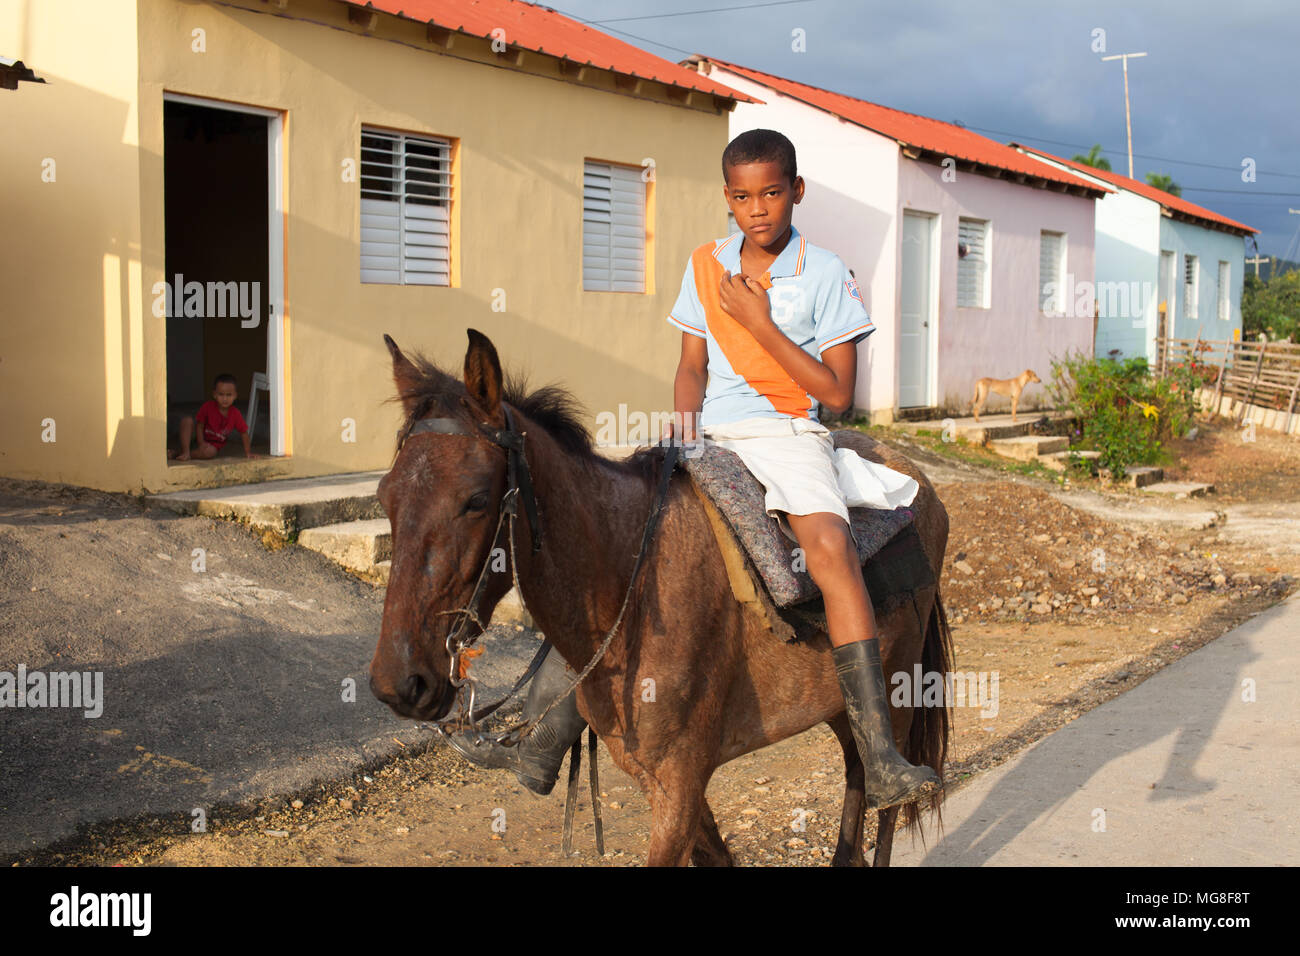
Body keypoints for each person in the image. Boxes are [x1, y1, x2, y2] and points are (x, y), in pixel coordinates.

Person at [447, 129, 939, 809]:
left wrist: (762, 324)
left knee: (828, 549)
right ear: (727, 199)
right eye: (742, 196)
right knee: (617, 551)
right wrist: (684, 434)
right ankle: (535, 740)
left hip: (791, 433)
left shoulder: (826, 273)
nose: (757, 209)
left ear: (796, 191)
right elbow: (691, 365)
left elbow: (835, 394)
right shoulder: (704, 264)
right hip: (711, 434)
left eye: (771, 192)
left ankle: (880, 754)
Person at [170, 373, 259, 461]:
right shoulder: (207, 407)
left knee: (210, 452)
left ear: (235, 396)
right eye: (221, 394)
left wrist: (248, 453)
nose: (225, 399)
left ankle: (180, 454)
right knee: (187, 420)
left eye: (229, 395)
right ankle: (185, 451)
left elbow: (244, 433)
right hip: (196, 438)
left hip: (211, 446)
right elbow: (199, 425)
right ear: (214, 394)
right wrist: (201, 443)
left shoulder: (235, 414)